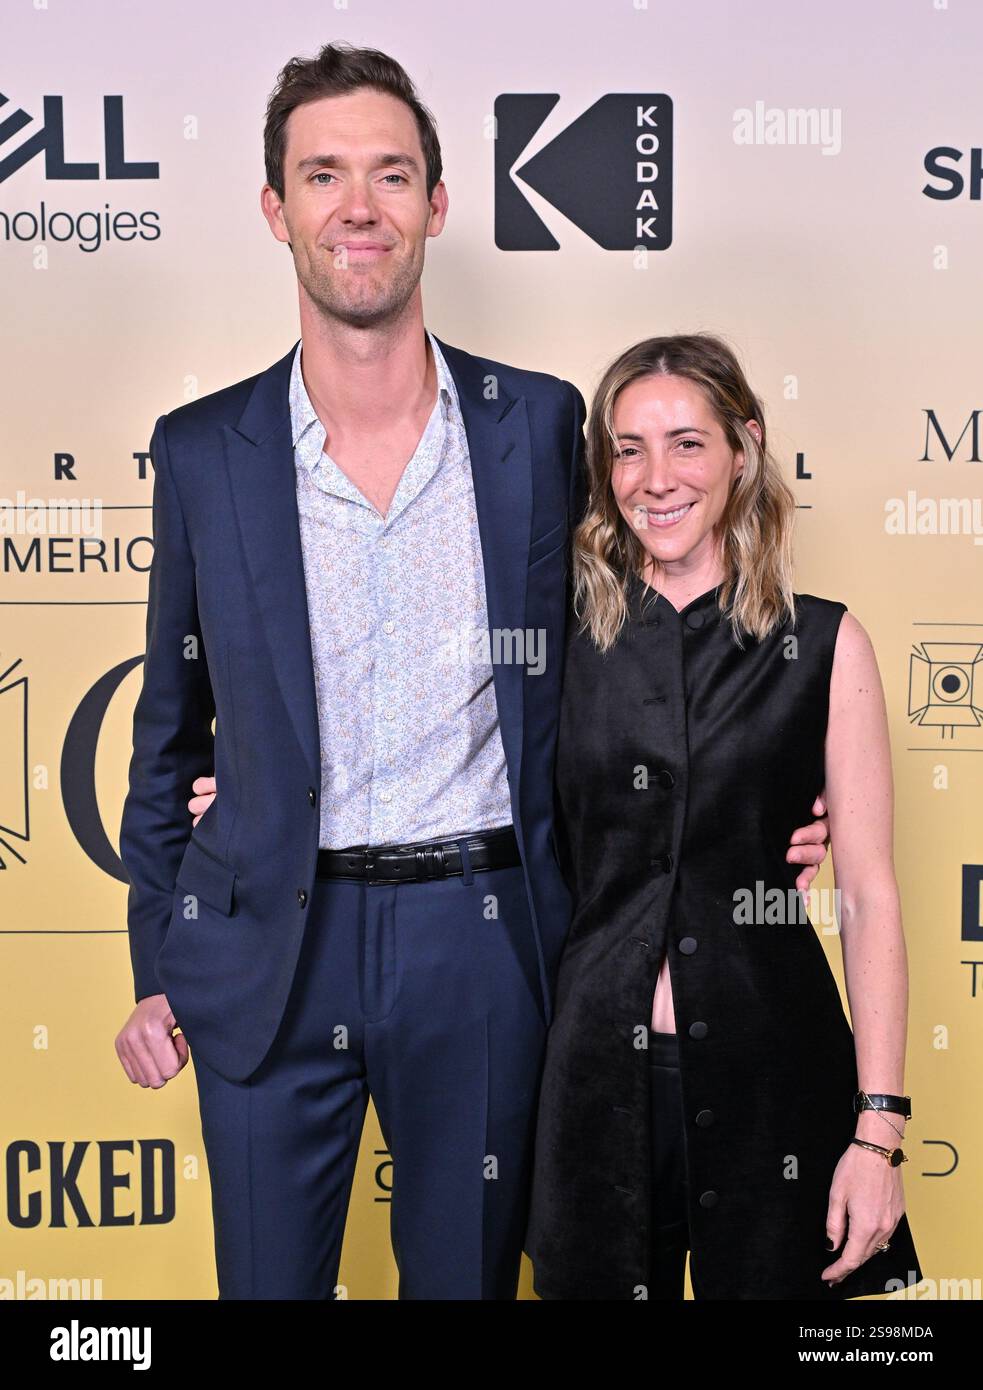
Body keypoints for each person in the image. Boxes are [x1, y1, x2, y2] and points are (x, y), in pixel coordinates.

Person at [115, 41, 833, 1300]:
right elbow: (169, 737)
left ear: (436, 206)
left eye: (390, 175)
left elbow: (638, 630)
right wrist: (154, 961)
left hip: (485, 934)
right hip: (269, 947)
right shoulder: (202, 452)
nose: (358, 206)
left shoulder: (539, 426)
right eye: (322, 175)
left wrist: (751, 782)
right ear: (275, 209)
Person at [523, 333, 923, 1300]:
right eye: (626, 448)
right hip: (590, 1090)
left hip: (775, 1079)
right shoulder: (554, 646)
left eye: (686, 443)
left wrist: (877, 1132)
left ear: (742, 450)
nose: (654, 478)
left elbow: (867, 896)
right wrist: (251, 794)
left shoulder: (825, 645)